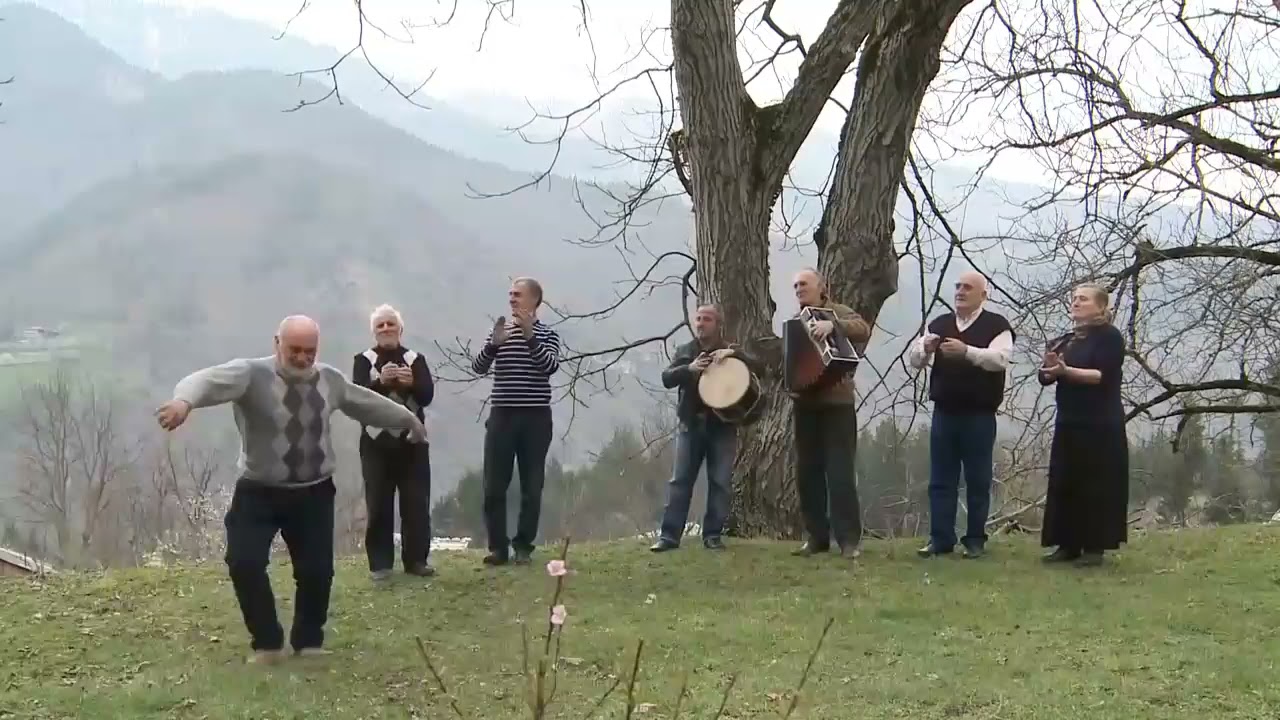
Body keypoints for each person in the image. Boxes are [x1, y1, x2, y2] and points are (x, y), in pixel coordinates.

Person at [154, 315, 428, 665]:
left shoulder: (329, 380)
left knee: (317, 572)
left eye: (309, 351)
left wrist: (408, 419)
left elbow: (365, 403)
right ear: (277, 344)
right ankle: (268, 643)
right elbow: (204, 381)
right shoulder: (250, 374)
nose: (302, 358)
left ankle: (309, 642)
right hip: (259, 490)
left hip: (314, 492)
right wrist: (183, 402)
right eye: (294, 349)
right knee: (244, 562)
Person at [908, 270, 1015, 559]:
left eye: (967, 287)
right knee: (941, 480)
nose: (960, 292)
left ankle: (975, 539)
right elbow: (915, 360)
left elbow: (1000, 359)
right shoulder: (939, 324)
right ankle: (940, 539)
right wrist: (926, 348)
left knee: (978, 479)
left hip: (979, 414)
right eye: (957, 286)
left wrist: (967, 352)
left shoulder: (997, 325)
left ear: (983, 294)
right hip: (944, 411)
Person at [650, 304, 762, 552]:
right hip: (691, 424)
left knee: (720, 482)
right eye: (698, 318)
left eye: (707, 319)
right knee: (680, 481)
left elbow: (759, 367)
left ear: (718, 324)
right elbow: (667, 378)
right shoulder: (686, 351)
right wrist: (690, 369)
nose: (700, 323)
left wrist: (735, 355)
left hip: (722, 426)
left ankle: (712, 536)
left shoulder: (730, 349)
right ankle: (669, 537)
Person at [470, 277, 562, 566]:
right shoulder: (500, 331)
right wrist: (493, 346)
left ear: (534, 300)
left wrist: (530, 337)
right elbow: (478, 367)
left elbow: (550, 366)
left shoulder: (548, 335)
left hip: (536, 418)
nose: (512, 299)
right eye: (510, 294)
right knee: (494, 485)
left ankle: (523, 545)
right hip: (502, 415)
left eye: (518, 294)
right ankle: (498, 548)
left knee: (531, 486)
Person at [1037, 283, 1130, 567]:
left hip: (1100, 422)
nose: (1076, 303)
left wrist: (1066, 371)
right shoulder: (1068, 339)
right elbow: (1045, 377)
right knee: (1066, 481)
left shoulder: (1110, 337)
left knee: (1095, 483)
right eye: (1074, 298)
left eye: (1083, 299)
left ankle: (1094, 547)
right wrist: (1050, 367)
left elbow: (1101, 375)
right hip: (1069, 419)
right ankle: (1067, 544)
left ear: (1100, 307)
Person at [788, 268, 872, 560]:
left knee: (840, 473)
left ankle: (848, 540)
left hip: (837, 404)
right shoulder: (796, 321)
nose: (799, 289)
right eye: (795, 285)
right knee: (807, 473)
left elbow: (862, 328)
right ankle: (816, 538)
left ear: (821, 287)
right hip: (805, 404)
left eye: (804, 284)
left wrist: (832, 325)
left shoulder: (837, 311)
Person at [352, 304, 436, 581]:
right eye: (381, 325)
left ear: (400, 329)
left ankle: (416, 561)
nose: (386, 328)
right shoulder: (364, 360)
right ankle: (380, 564)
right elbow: (357, 396)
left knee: (416, 503)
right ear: (374, 331)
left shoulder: (415, 359)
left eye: (391, 324)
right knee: (378, 504)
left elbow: (427, 396)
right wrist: (380, 381)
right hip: (375, 443)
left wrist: (411, 384)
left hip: (412, 442)